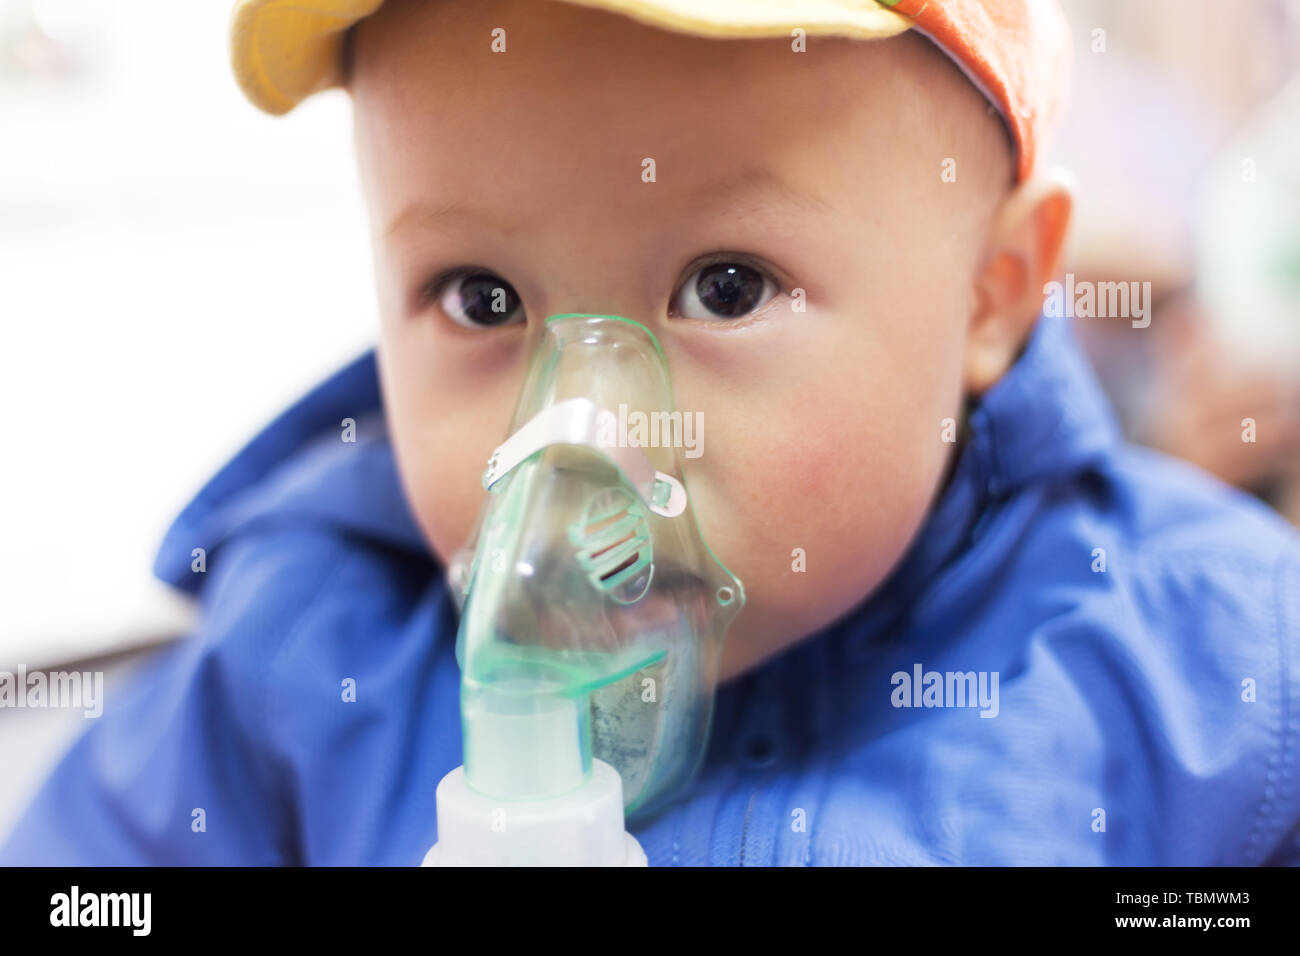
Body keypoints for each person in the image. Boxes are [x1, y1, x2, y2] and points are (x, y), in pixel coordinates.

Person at [4, 0, 1299, 866]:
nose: (584, 445)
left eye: (727, 288)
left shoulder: (1219, 692)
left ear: (992, 295)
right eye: (483, 300)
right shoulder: (296, 670)